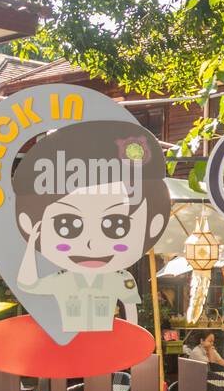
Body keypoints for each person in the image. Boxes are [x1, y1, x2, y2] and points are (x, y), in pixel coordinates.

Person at [12, 121, 169, 333]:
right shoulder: (63, 280)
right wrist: (31, 244)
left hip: (104, 350)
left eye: (116, 226)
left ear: (152, 225)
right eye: (67, 226)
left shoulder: (120, 278)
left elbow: (131, 313)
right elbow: (28, 284)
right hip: (69, 349)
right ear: (30, 225)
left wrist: (131, 347)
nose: (91, 243)